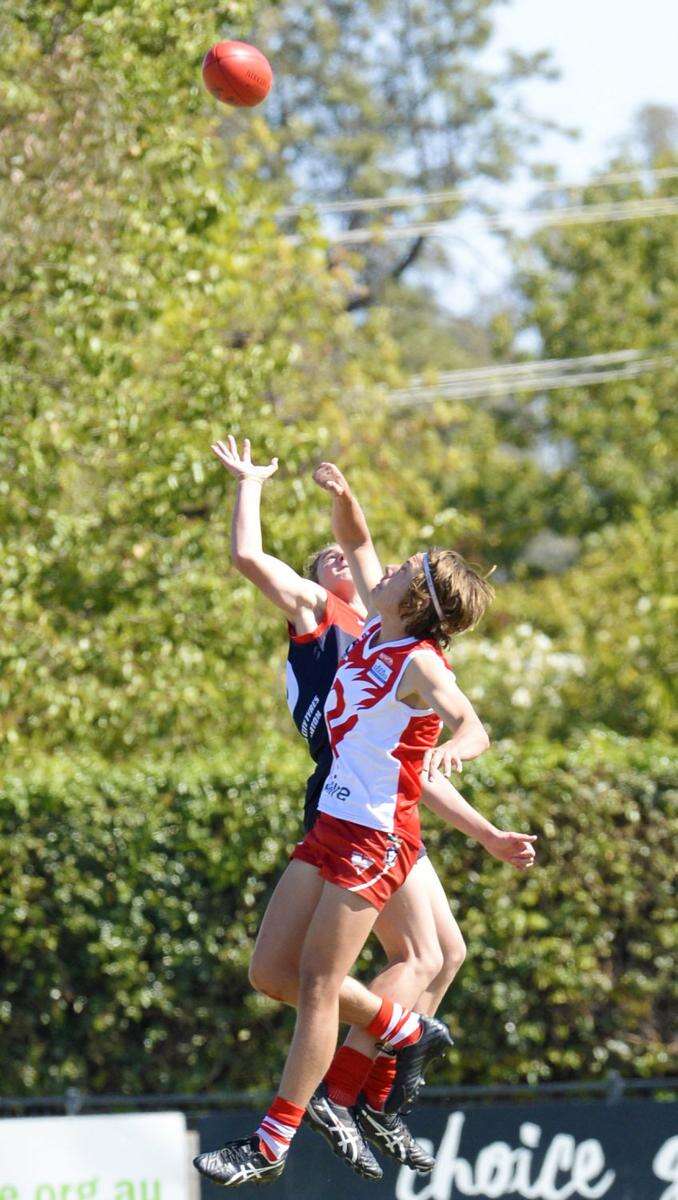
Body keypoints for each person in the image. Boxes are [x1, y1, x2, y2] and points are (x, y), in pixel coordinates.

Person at [194, 443, 532, 1188]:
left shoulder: (419, 661)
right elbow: (353, 537)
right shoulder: (375, 624)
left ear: (414, 600)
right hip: (332, 825)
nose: (385, 567)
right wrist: (339, 491)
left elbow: (469, 721)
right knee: (270, 971)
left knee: (326, 981)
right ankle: (402, 1031)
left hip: (376, 837)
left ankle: (273, 1140)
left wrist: (458, 750)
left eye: (404, 570)